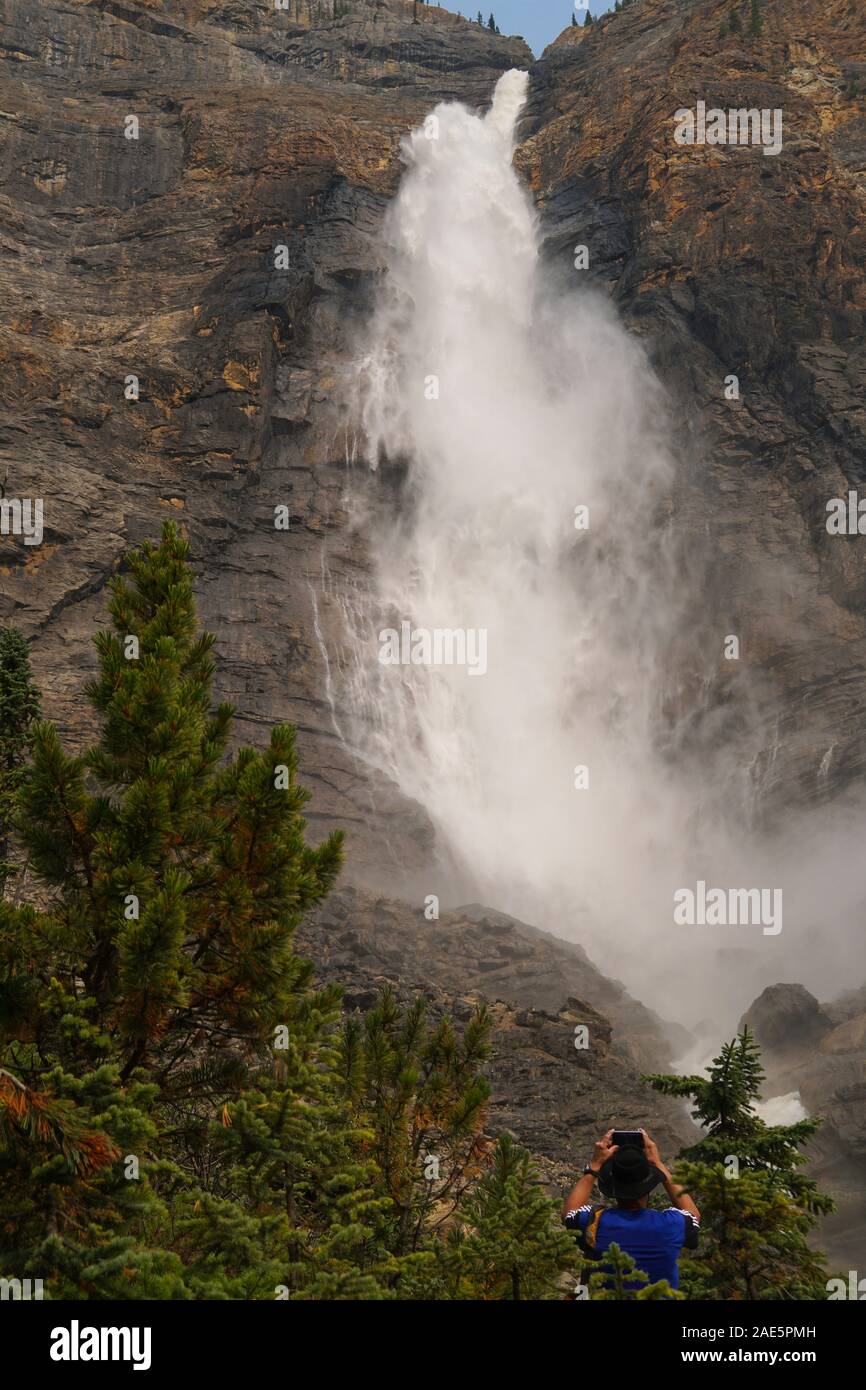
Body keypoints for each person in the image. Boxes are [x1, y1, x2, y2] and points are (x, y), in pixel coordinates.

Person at [561, 1128, 700, 1291]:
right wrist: (657, 1163)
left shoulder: (594, 1221)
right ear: (649, 1184)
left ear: (612, 1184)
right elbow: (693, 1214)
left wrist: (594, 1165)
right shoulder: (671, 1224)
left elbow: (568, 1214)